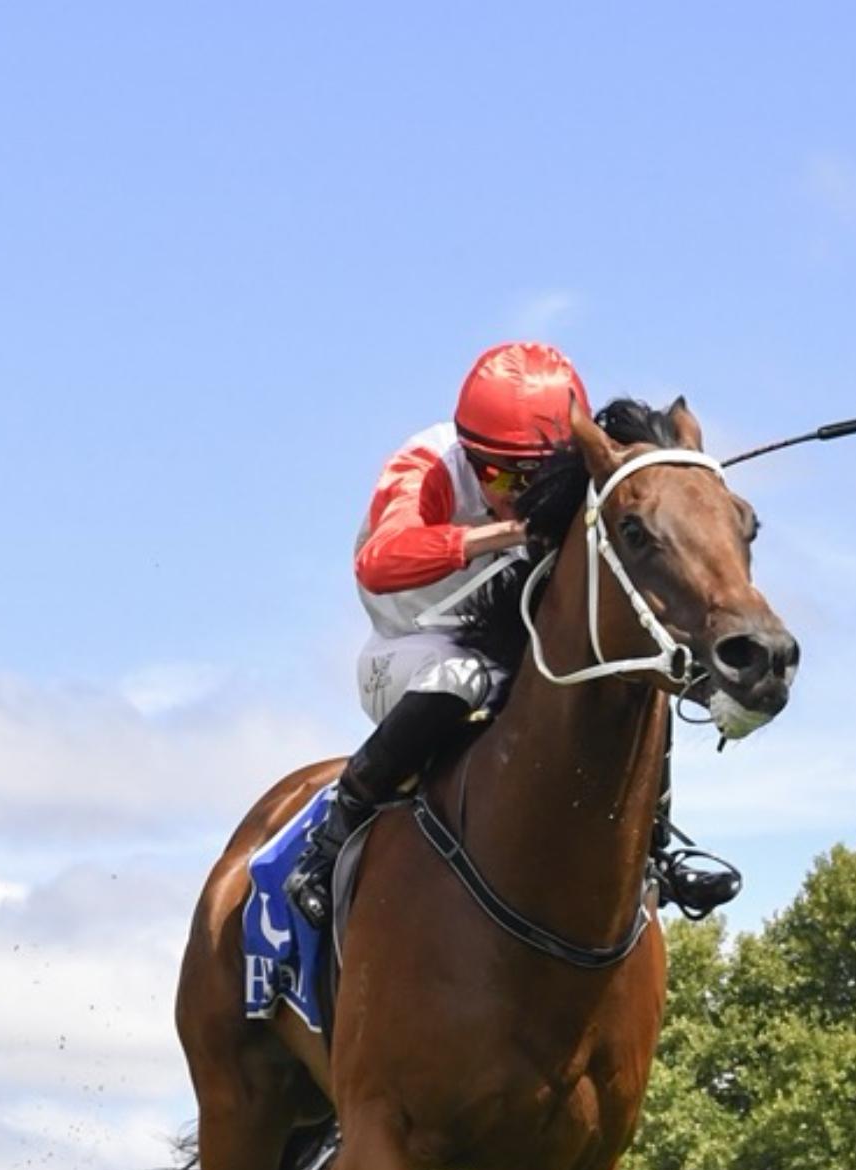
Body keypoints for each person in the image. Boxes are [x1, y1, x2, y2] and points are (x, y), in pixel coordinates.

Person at [285, 341, 742, 928]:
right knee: (467, 676)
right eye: (503, 474)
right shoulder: (427, 464)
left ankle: (656, 846)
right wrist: (501, 533)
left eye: (540, 474)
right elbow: (379, 560)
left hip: (513, 637)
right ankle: (334, 833)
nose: (522, 489)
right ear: (472, 453)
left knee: (628, 666)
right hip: (412, 648)